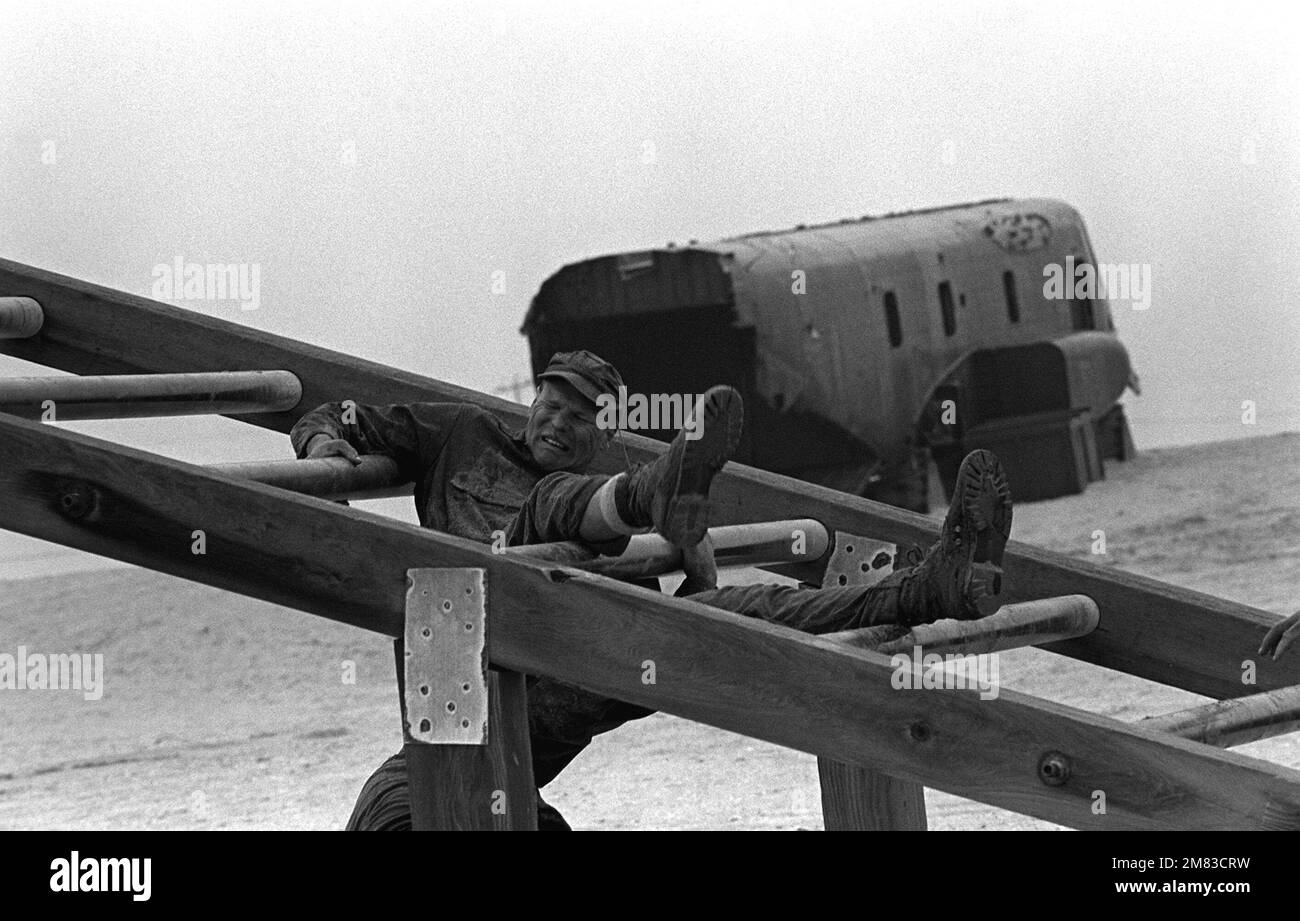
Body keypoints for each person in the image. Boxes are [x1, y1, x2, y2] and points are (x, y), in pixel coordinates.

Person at [290, 350, 1012, 830]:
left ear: (605, 435)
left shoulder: (598, 486)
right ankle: (647, 493)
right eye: (552, 403)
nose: (557, 421)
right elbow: (332, 416)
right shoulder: (465, 433)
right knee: (547, 512)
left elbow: (695, 598)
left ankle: (922, 591)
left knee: (736, 612)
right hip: (478, 655)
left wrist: (691, 558)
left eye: (581, 417)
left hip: (575, 670)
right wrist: (329, 459)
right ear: (532, 400)